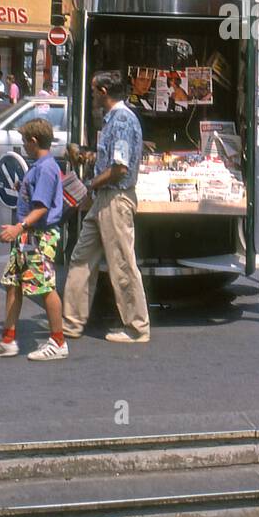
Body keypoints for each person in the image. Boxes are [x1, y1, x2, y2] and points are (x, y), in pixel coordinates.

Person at [62, 71, 150, 343]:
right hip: (103, 198)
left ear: (103, 92)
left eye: (92, 90)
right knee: (80, 257)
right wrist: (87, 157)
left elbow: (119, 168)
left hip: (114, 198)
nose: (91, 95)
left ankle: (137, 327)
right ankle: (71, 323)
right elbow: (111, 161)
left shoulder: (121, 120)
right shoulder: (114, 120)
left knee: (122, 263)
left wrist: (88, 184)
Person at [0, 118, 67, 361]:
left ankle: (58, 342)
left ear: (33, 141)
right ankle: (8, 339)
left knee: (45, 287)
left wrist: (19, 227)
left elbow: (42, 208)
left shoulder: (46, 168)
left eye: (24, 141)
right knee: (13, 283)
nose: (24, 146)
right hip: (29, 236)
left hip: (38, 236)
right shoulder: (40, 166)